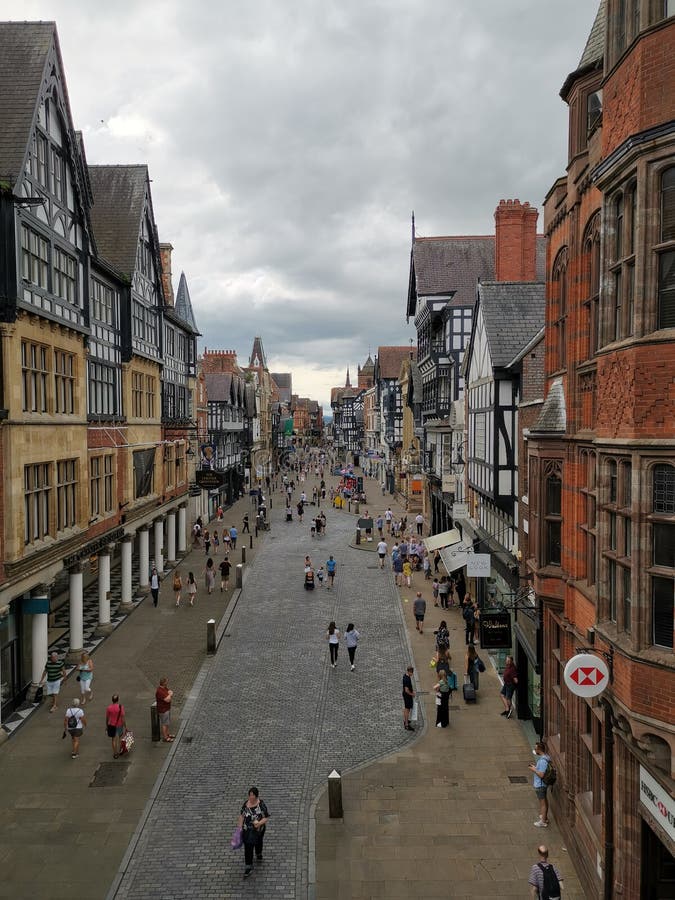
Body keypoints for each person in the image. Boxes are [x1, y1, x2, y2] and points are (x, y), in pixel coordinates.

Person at [237, 787, 270, 878]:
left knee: (258, 842)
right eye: (250, 795)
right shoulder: (246, 804)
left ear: (256, 796)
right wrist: (239, 828)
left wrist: (259, 823)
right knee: (248, 847)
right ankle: (248, 866)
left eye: (253, 795)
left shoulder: (261, 805)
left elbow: (266, 817)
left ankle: (258, 853)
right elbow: (241, 816)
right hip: (247, 831)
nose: (251, 797)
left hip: (258, 831)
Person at [529, 741, 552, 827]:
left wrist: (533, 769)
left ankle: (542, 821)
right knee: (544, 801)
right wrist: (535, 767)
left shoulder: (543, 761)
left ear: (539, 749)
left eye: (535, 748)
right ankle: (544, 817)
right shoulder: (546, 758)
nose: (535, 750)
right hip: (542, 785)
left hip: (540, 785)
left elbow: (541, 774)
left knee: (543, 803)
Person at [106, 694, 126, 758]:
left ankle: (115, 753)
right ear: (118, 700)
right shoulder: (120, 707)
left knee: (113, 739)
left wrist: (106, 726)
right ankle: (120, 750)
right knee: (120, 738)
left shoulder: (109, 708)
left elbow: (107, 718)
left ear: (112, 700)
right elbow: (123, 717)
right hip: (119, 724)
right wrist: (125, 726)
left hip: (111, 725)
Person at [155, 677, 174, 742]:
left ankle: (167, 734)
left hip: (167, 708)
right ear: (164, 683)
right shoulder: (159, 691)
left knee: (167, 723)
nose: (167, 683)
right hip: (163, 710)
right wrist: (170, 695)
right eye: (166, 682)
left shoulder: (164, 688)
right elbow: (167, 700)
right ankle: (165, 737)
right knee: (164, 724)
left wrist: (169, 694)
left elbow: (169, 691)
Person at [402, 666, 415, 731]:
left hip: (405, 695)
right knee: (407, 710)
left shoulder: (405, 676)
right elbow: (406, 690)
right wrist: (412, 694)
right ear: (409, 672)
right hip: (407, 696)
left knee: (406, 709)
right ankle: (406, 724)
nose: (412, 674)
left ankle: (405, 720)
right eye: (412, 673)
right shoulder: (407, 679)